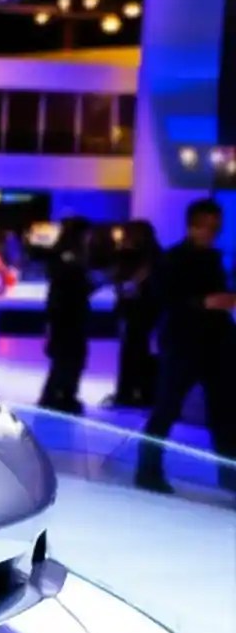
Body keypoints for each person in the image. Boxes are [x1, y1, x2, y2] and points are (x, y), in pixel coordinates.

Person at [135, 199, 236, 495]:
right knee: (167, 407)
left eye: (215, 227)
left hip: (217, 343)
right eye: (206, 227)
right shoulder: (173, 259)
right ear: (192, 226)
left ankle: (229, 475)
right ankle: (148, 469)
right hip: (183, 343)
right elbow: (166, 299)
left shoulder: (213, 258)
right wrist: (204, 302)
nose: (211, 232)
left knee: (226, 412)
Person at [39, 217, 97, 415]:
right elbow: (72, 287)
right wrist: (91, 285)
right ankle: (61, 396)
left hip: (65, 314)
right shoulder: (69, 258)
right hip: (68, 315)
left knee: (66, 357)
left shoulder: (63, 256)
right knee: (69, 357)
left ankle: (59, 395)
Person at [107, 220, 161, 408]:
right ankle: (139, 393)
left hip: (139, 312)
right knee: (137, 352)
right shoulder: (150, 256)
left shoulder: (146, 259)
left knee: (135, 353)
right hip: (139, 312)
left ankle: (131, 393)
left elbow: (126, 284)